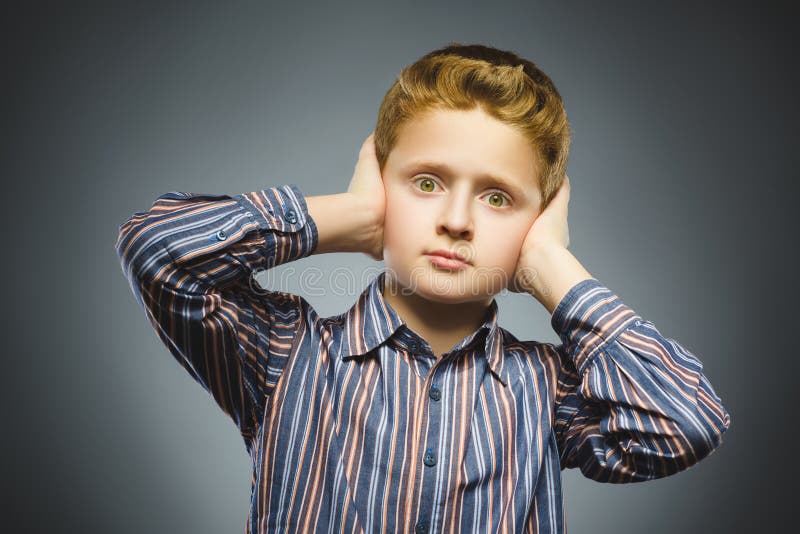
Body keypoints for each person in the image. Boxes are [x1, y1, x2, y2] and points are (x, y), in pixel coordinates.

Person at [115, 43, 730, 534]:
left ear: (538, 219)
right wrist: (349, 216)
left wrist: (551, 265)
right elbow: (158, 251)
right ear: (382, 181)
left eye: (497, 198)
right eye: (427, 182)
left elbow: (687, 421)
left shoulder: (548, 391)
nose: (457, 221)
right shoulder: (282, 355)